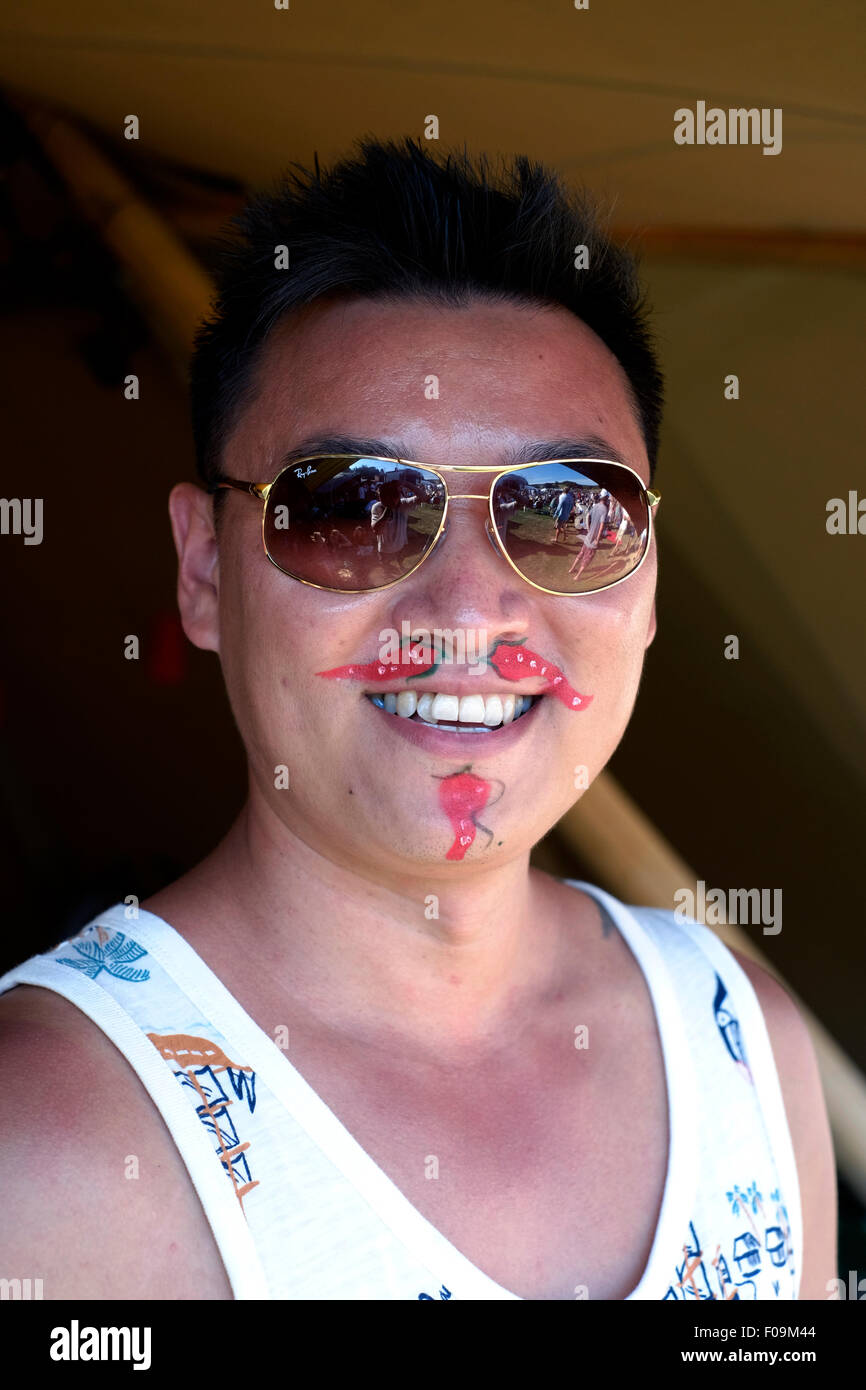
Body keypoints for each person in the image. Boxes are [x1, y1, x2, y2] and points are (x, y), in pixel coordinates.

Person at [0, 137, 835, 1301]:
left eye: (562, 513)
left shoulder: (742, 1042)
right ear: (202, 568)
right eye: (350, 508)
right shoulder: (48, 1146)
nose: (467, 608)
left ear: (646, 582)